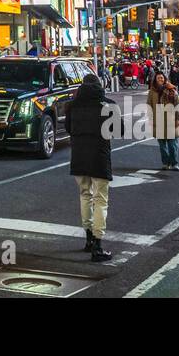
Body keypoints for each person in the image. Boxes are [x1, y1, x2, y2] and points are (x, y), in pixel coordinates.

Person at [66, 73, 115, 262]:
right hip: (100, 156)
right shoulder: (107, 104)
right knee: (100, 199)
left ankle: (88, 239)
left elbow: (69, 129)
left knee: (84, 195)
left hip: (78, 155)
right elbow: (117, 129)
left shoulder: (72, 105)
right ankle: (98, 244)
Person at [147, 70, 179, 171]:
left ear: (165, 79)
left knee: (172, 144)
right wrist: (150, 118)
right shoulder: (152, 91)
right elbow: (149, 105)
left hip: (170, 119)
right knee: (162, 145)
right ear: (155, 80)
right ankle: (166, 163)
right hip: (158, 121)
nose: (160, 79)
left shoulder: (171, 90)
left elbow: (177, 105)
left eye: (162, 78)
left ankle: (174, 163)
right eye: (158, 78)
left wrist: (177, 119)